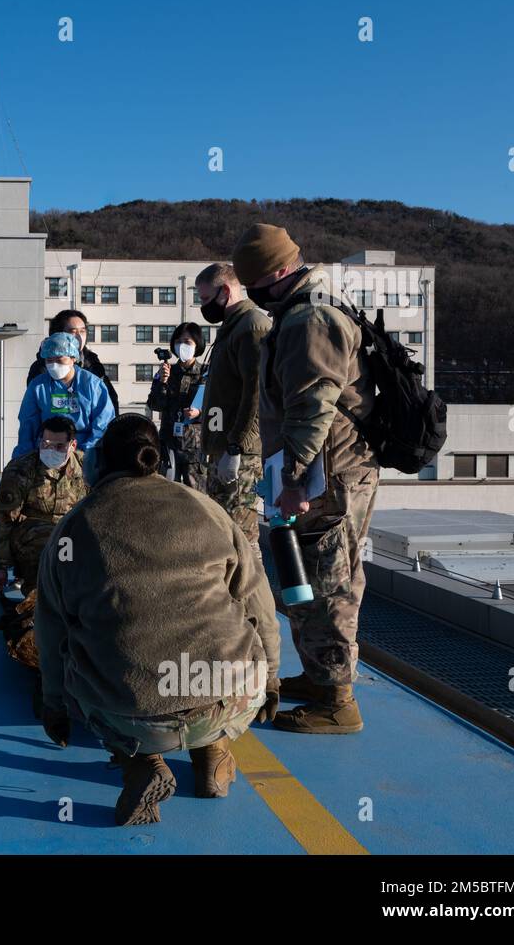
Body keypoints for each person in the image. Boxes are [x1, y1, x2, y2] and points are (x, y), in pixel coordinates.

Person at [34, 414, 281, 825]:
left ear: (99, 461)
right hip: (229, 699)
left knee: (81, 651)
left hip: (127, 713)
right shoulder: (209, 510)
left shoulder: (73, 528)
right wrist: (270, 679)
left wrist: (53, 704)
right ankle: (213, 760)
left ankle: (142, 762)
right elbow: (259, 604)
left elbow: (50, 628)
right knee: (219, 646)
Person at [232, 222, 378, 734]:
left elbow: (314, 405)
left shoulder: (310, 318)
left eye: (253, 283)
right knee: (309, 578)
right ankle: (320, 677)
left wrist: (293, 480)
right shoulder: (303, 308)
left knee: (328, 579)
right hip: (319, 470)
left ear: (276, 273)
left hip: (327, 475)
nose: (251, 294)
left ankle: (338, 701)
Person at [197, 263, 269, 558]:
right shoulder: (233, 326)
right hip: (222, 446)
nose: (204, 306)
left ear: (225, 291)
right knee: (225, 535)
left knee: (241, 539)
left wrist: (236, 446)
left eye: (205, 299)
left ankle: (253, 603)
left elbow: (256, 394)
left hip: (238, 451)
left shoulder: (251, 325)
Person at [0, 416, 88, 599]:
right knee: (49, 547)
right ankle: (38, 601)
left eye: (59, 447)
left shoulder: (88, 467)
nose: (51, 450)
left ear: (72, 445)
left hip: (72, 532)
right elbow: (2, 517)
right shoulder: (22, 468)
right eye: (46, 444)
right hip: (33, 535)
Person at [13, 333, 114, 460]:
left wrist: (84, 455)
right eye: (49, 360)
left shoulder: (92, 385)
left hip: (85, 454)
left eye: (60, 360)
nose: (54, 365)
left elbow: (103, 425)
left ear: (73, 358)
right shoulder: (38, 386)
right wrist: (25, 456)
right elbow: (28, 425)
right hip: (46, 451)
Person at [146, 321, 207, 489]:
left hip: (194, 449)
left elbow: (219, 410)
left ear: (198, 345)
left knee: (196, 499)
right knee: (167, 494)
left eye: (187, 342)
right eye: (179, 342)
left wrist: (199, 413)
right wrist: (162, 382)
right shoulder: (166, 371)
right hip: (168, 444)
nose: (182, 346)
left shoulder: (206, 373)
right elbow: (154, 405)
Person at [26, 309, 119, 412]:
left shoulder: (93, 364)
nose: (79, 337)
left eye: (82, 331)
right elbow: (32, 410)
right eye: (73, 332)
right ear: (58, 335)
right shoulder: (42, 368)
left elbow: (109, 403)